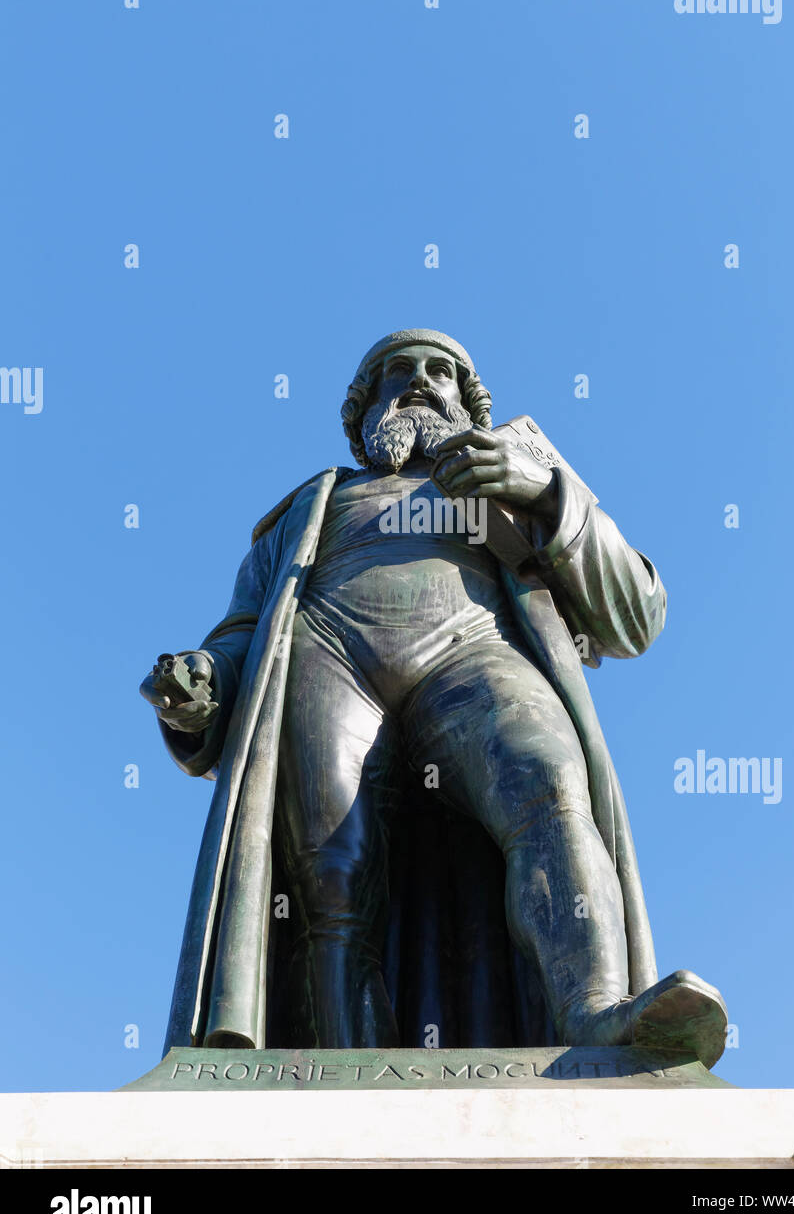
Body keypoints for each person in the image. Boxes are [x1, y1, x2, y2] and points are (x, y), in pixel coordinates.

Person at [142, 329, 726, 1066]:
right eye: (397, 372)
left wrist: (546, 492)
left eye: (441, 372)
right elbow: (245, 634)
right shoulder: (305, 511)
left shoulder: (518, 477)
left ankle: (600, 1009)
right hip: (331, 651)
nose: (420, 380)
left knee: (544, 777)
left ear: (468, 400)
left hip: (473, 648)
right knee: (330, 872)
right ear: (362, 412)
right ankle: (345, 1066)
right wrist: (202, 685)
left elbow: (637, 614)